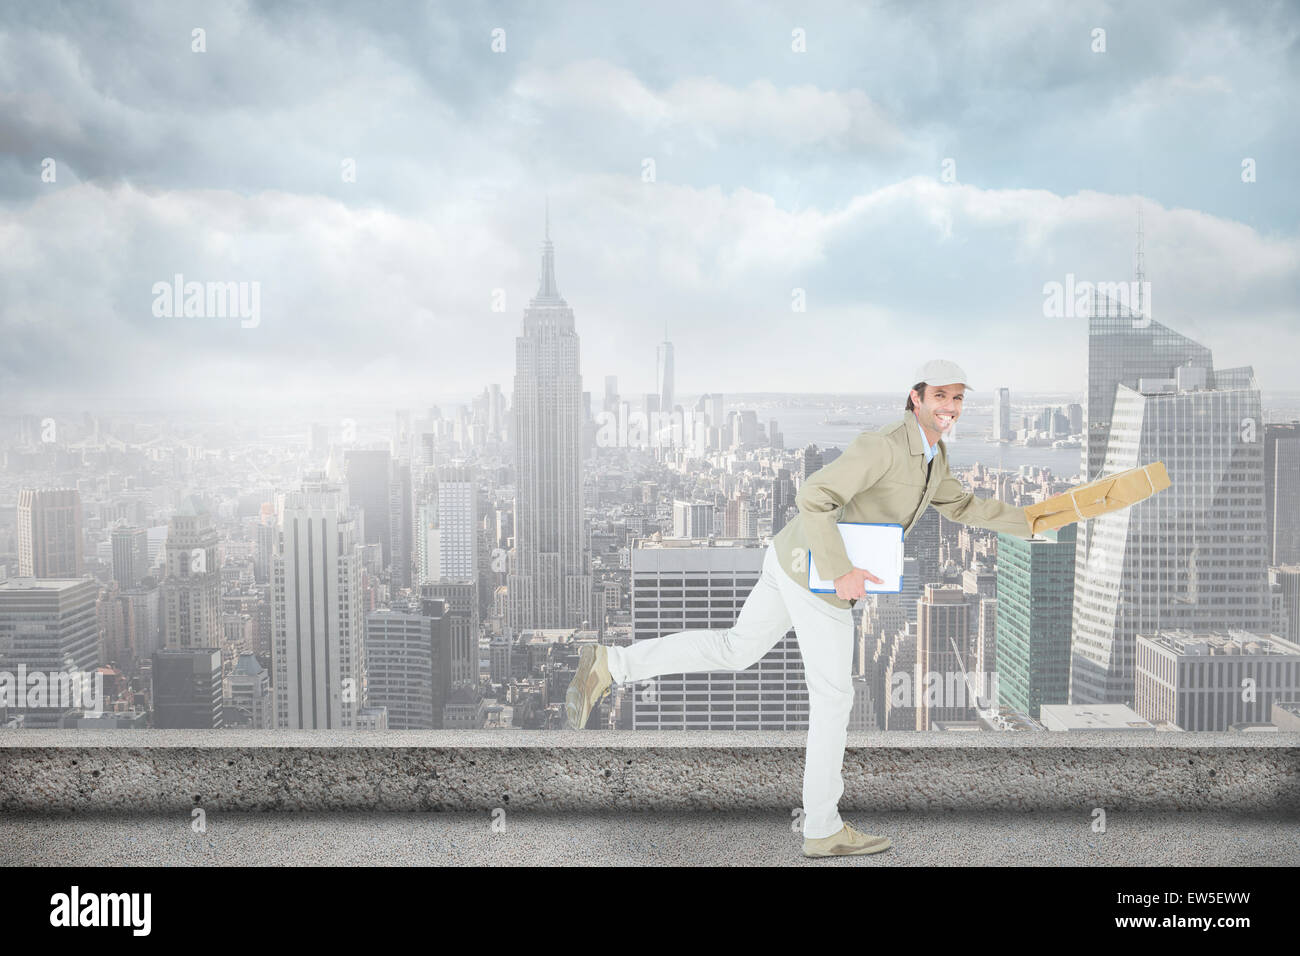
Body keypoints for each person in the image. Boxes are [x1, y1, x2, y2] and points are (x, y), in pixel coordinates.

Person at [565, 360, 1073, 858]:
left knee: (735, 648)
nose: (951, 406)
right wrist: (840, 571)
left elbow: (964, 506)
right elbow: (815, 494)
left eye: (958, 397)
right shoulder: (883, 446)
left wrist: (1030, 520)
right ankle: (823, 827)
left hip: (786, 558)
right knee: (833, 698)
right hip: (817, 578)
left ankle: (611, 664)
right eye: (940, 395)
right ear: (915, 398)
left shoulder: (934, 458)